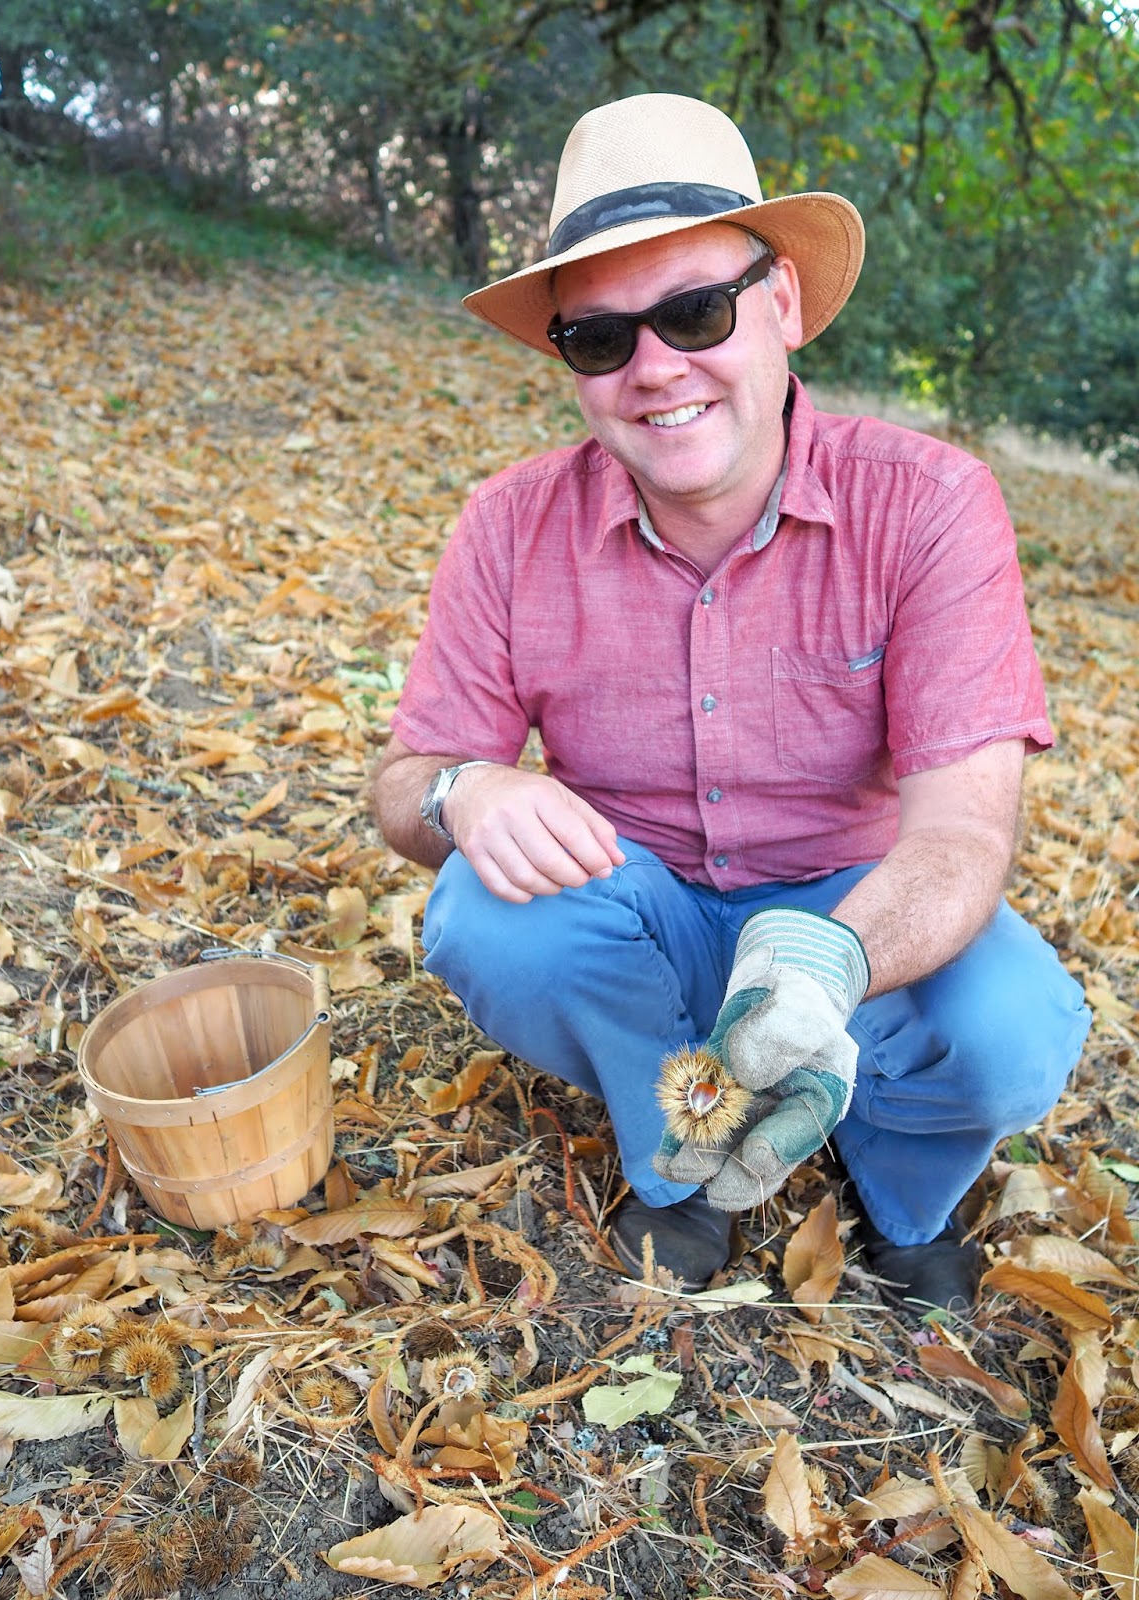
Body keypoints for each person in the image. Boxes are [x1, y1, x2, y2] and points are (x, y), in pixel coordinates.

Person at [372, 92, 1091, 1311]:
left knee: (1014, 1029)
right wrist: (465, 786)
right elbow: (403, 787)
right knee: (479, 912)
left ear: (785, 306)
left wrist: (835, 959)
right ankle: (685, 1159)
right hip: (639, 908)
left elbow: (965, 834)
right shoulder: (507, 526)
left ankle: (900, 1179)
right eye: (601, 339)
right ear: (571, 364)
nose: (657, 368)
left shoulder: (927, 505)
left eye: (696, 310)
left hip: (853, 909)